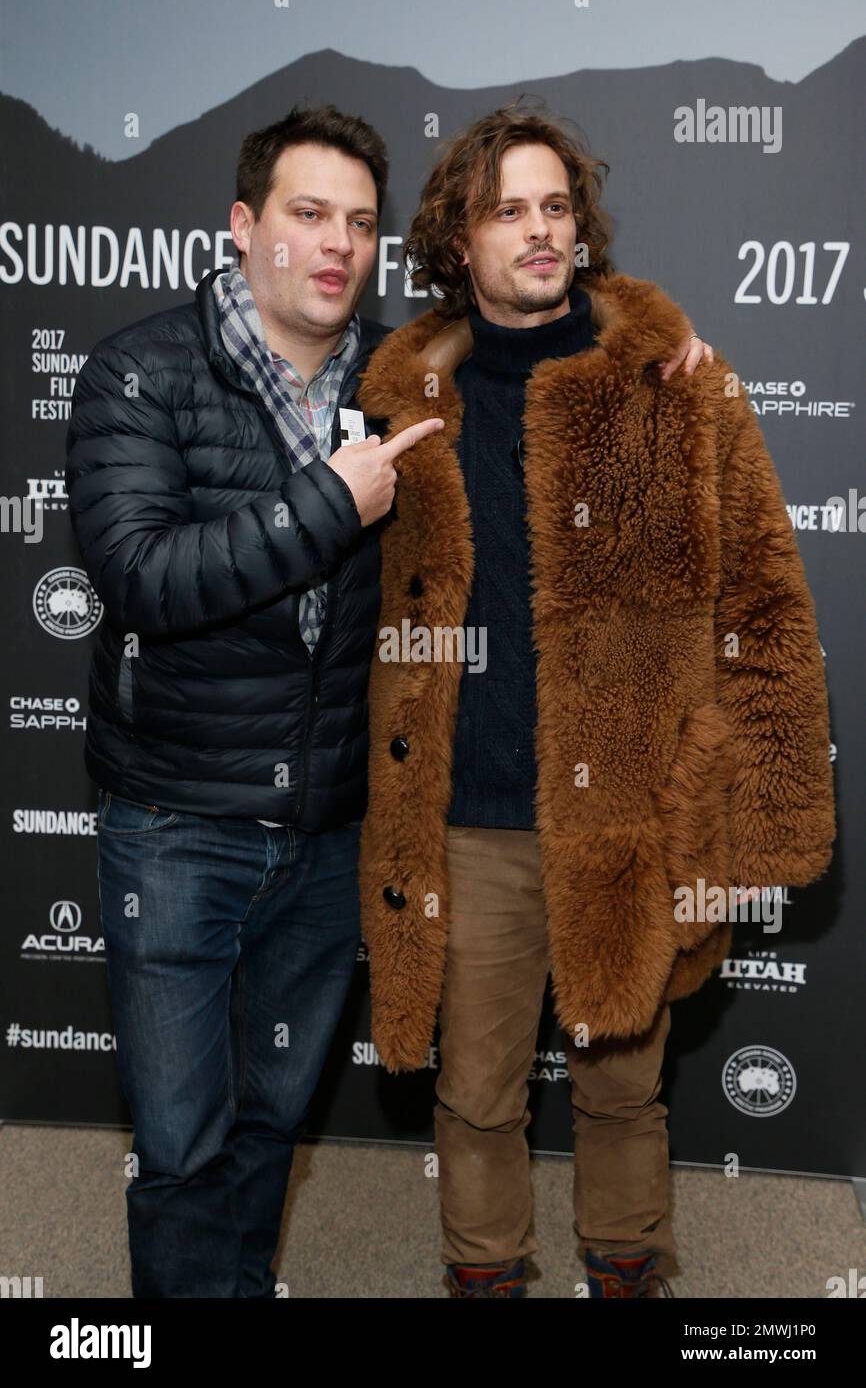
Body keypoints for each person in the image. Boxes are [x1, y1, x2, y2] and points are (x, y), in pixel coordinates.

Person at [355, 100, 835, 1298]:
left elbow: (765, 599)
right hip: (468, 809)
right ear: (456, 241)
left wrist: (749, 793)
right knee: (474, 1092)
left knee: (625, 1081)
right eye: (503, 209)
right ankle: (487, 1275)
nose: (535, 230)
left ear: (581, 227)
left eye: (554, 206)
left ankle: (627, 1272)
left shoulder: (678, 385)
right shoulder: (403, 404)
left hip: (626, 810)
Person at [63, 104, 443, 1298]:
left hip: (327, 836)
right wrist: (331, 502)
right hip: (177, 825)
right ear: (243, 226)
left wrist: (659, 361)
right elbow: (141, 578)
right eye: (307, 214)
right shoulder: (139, 368)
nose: (336, 245)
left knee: (272, 1121)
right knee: (181, 1145)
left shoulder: (396, 383)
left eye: (360, 225)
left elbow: (545, 384)